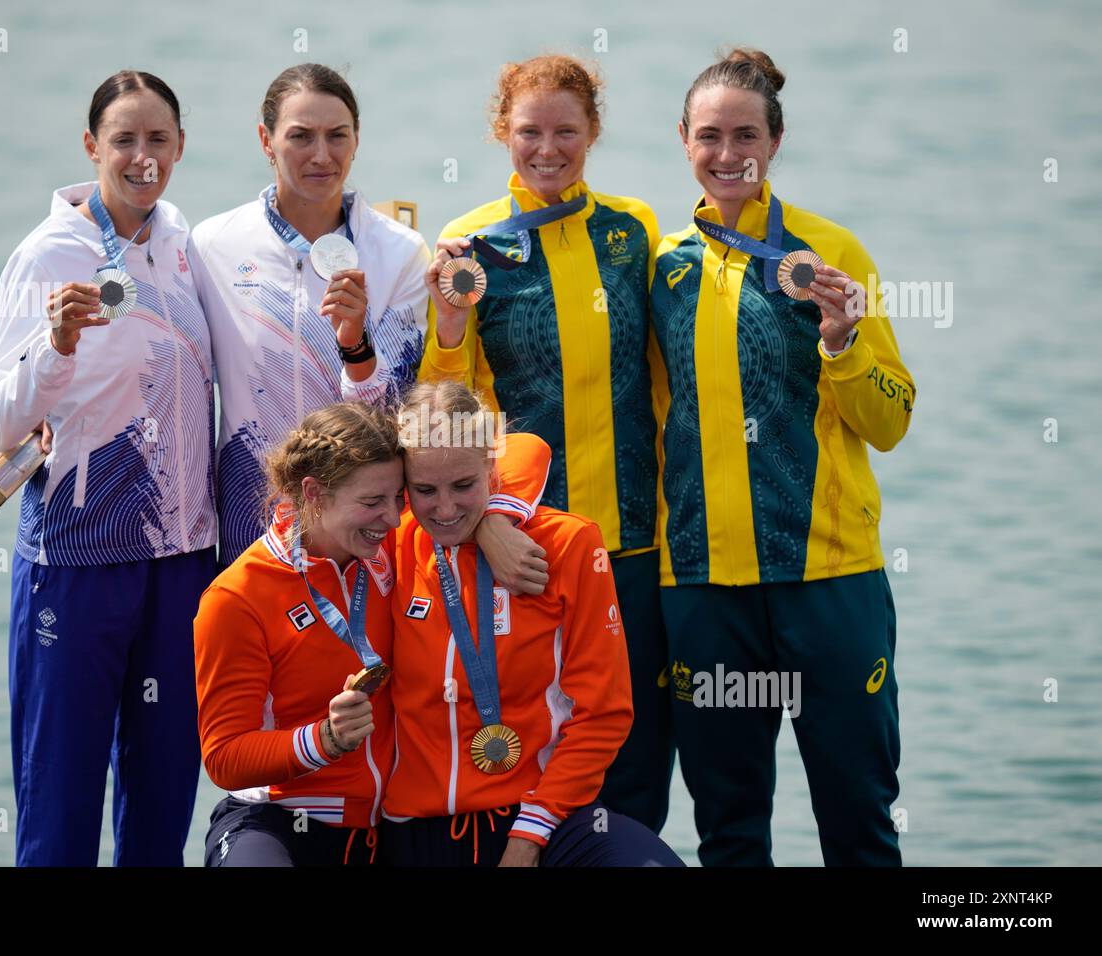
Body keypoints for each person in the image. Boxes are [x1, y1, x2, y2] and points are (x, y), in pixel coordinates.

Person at [651, 48, 916, 866]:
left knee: (859, 821)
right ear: (683, 141)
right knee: (728, 833)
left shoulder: (830, 251)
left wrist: (841, 344)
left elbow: (892, 419)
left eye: (746, 135)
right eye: (708, 136)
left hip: (829, 582)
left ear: (777, 139)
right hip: (701, 585)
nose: (727, 154)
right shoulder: (658, 267)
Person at [418, 55, 674, 832]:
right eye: (530, 131)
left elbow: (665, 383)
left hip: (631, 546)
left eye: (567, 130)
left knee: (632, 759)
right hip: (525, 547)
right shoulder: (469, 243)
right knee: (531, 755)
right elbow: (445, 408)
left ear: (593, 130)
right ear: (503, 132)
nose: (548, 148)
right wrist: (452, 323)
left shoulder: (634, 229)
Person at [0, 71, 216, 866]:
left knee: (161, 807)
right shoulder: (49, 254)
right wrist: (57, 347)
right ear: (92, 147)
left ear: (179, 147)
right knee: (60, 807)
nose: (142, 156)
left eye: (157, 140)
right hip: (75, 563)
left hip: (180, 560)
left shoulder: (185, 245)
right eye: (124, 140)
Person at [193, 402, 550, 866]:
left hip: (381, 832)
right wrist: (323, 739)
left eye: (399, 499)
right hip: (276, 822)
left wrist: (495, 518)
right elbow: (224, 756)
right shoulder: (237, 596)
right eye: (371, 502)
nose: (391, 517)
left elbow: (525, 446)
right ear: (314, 493)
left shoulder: (390, 548)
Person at [379, 381, 684, 867]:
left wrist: (530, 833)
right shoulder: (388, 546)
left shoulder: (568, 544)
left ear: (491, 469)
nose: (444, 508)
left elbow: (603, 713)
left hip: (544, 816)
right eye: (424, 490)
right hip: (414, 828)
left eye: (463, 486)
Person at [191, 63, 430, 566]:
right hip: (249, 521)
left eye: (337, 136)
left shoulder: (400, 251)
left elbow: (395, 416)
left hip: (364, 528)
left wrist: (356, 346)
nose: (321, 156)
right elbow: (180, 373)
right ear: (266, 140)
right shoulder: (213, 245)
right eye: (300, 136)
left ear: (357, 139)